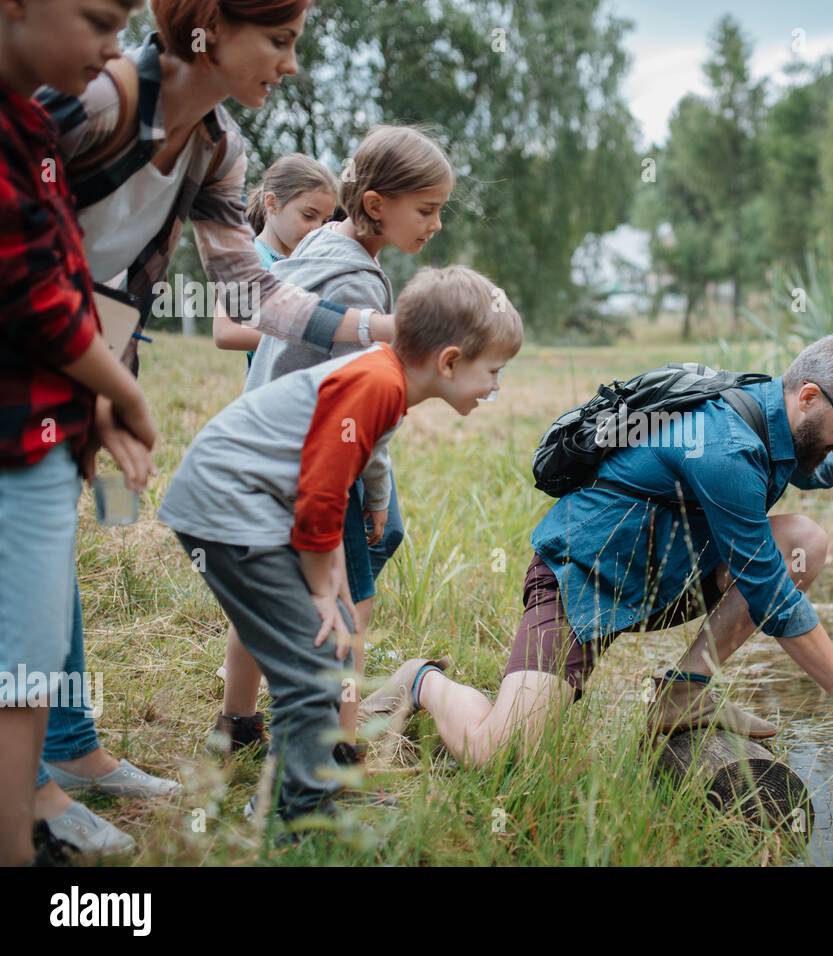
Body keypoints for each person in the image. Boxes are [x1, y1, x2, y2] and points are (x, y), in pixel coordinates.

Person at [31, 0, 397, 853]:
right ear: (208, 30)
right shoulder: (95, 102)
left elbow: (250, 296)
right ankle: (34, 793)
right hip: (40, 343)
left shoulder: (216, 147)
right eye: (277, 41)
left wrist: (378, 330)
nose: (291, 63)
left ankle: (71, 748)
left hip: (84, 355)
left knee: (45, 546)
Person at [364, 333, 833, 769]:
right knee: (502, 754)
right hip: (581, 584)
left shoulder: (774, 416)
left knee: (805, 543)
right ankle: (420, 682)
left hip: (661, 578)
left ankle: (681, 695)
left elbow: (822, 470)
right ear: (810, 397)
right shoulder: (724, 443)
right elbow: (768, 591)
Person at [158, 266, 521, 822]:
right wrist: (324, 586)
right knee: (317, 658)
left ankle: (311, 785)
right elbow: (323, 491)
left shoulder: (386, 382)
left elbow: (336, 480)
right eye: (493, 371)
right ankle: (297, 811)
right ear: (449, 361)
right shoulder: (377, 383)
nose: (495, 386)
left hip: (242, 506)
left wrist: (331, 590)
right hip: (228, 508)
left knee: (337, 637)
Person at [214, 125, 455, 762]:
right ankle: (334, 744)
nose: (435, 225)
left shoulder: (321, 242)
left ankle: (236, 721)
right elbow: (363, 411)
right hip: (318, 466)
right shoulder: (358, 287)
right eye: (426, 210)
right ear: (376, 204)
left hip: (264, 454)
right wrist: (375, 493)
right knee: (350, 603)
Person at [0, 0, 157, 866]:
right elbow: (29, 295)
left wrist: (93, 400)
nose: (113, 47)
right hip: (16, 441)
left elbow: (58, 279)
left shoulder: (35, 125)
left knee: (25, 662)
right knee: (16, 663)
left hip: (46, 430)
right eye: (99, 17)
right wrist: (119, 390)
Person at [212, 152, 339, 366]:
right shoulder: (247, 259)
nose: (317, 228)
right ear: (272, 203)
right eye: (308, 216)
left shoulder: (312, 260)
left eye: (325, 220)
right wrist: (303, 338)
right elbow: (224, 332)